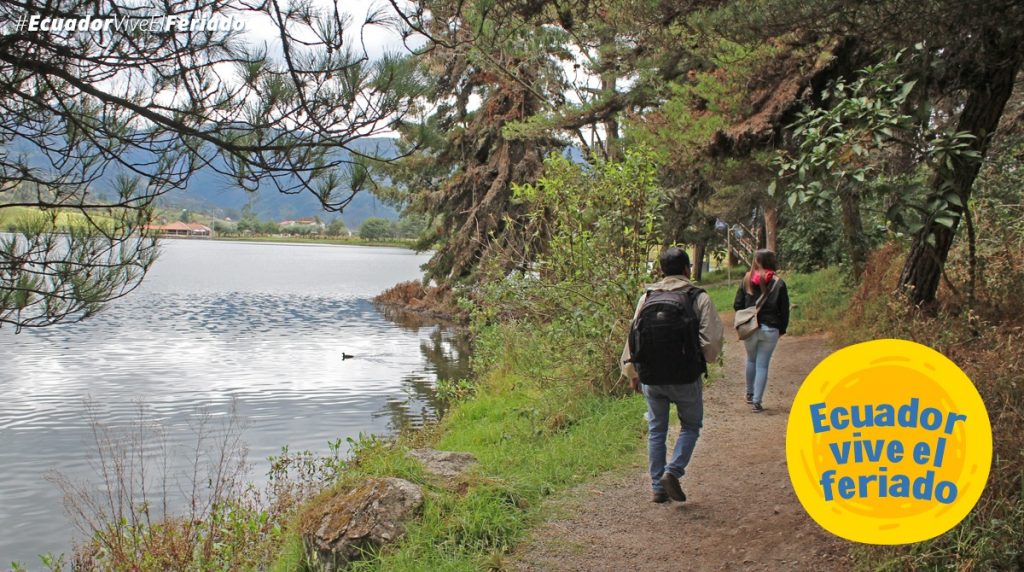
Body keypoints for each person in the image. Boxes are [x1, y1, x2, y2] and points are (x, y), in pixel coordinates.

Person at [621, 247, 723, 504]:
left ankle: (658, 487)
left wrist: (632, 372)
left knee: (657, 430)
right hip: (686, 376)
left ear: (661, 271)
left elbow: (633, 337)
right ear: (688, 269)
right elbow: (711, 342)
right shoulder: (698, 297)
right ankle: (673, 471)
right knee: (690, 425)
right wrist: (704, 360)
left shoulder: (647, 297)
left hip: (652, 377)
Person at [733, 249, 789, 413]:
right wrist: (782, 329)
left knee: (751, 360)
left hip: (750, 328)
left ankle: (749, 394)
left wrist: (747, 314)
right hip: (770, 329)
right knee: (762, 365)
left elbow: (737, 304)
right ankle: (757, 402)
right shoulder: (779, 283)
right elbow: (784, 310)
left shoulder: (747, 280)